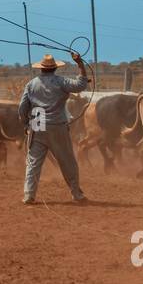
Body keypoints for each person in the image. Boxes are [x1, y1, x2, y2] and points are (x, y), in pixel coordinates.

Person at [18, 51, 89, 205]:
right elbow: (81, 84)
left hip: (37, 121)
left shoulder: (31, 84)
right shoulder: (61, 82)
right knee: (67, 161)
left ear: (41, 68)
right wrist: (80, 64)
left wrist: (25, 124)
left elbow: (23, 107)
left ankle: (29, 195)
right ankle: (76, 193)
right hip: (56, 123)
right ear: (55, 68)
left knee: (33, 162)